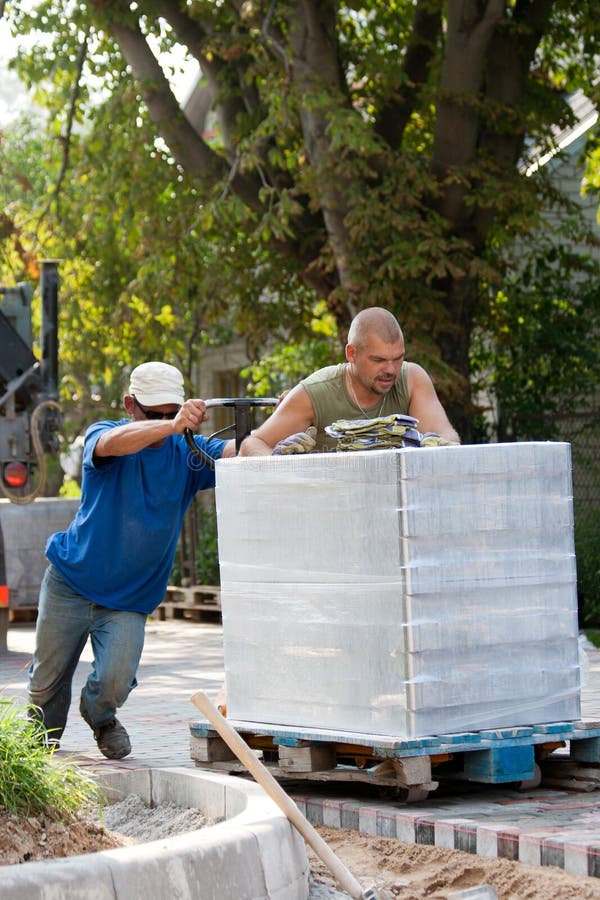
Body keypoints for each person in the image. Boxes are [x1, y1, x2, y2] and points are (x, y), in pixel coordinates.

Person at [28, 361, 235, 759]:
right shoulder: (104, 435)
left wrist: (284, 420)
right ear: (130, 405)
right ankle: (38, 751)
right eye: (153, 413)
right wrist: (171, 426)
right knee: (45, 685)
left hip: (127, 600)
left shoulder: (188, 453)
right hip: (70, 583)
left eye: (171, 413)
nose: (164, 421)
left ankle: (100, 716)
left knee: (115, 681)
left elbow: (237, 450)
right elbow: (110, 445)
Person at [239, 307, 460, 455]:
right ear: (351, 353)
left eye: (398, 358)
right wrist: (281, 467)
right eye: (378, 360)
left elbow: (448, 441)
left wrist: (440, 445)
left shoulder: (412, 379)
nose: (391, 370)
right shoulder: (316, 392)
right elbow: (251, 445)